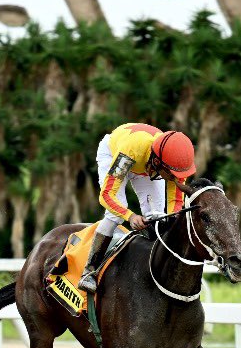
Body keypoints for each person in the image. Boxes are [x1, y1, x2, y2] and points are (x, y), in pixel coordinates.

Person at [77, 123, 197, 294]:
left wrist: (171, 220)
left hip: (147, 163)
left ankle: (155, 270)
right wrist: (130, 216)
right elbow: (106, 196)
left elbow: (175, 202)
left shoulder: (175, 165)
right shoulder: (130, 151)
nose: (175, 179)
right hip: (116, 155)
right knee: (114, 215)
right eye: (171, 175)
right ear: (157, 162)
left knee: (158, 215)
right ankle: (89, 270)